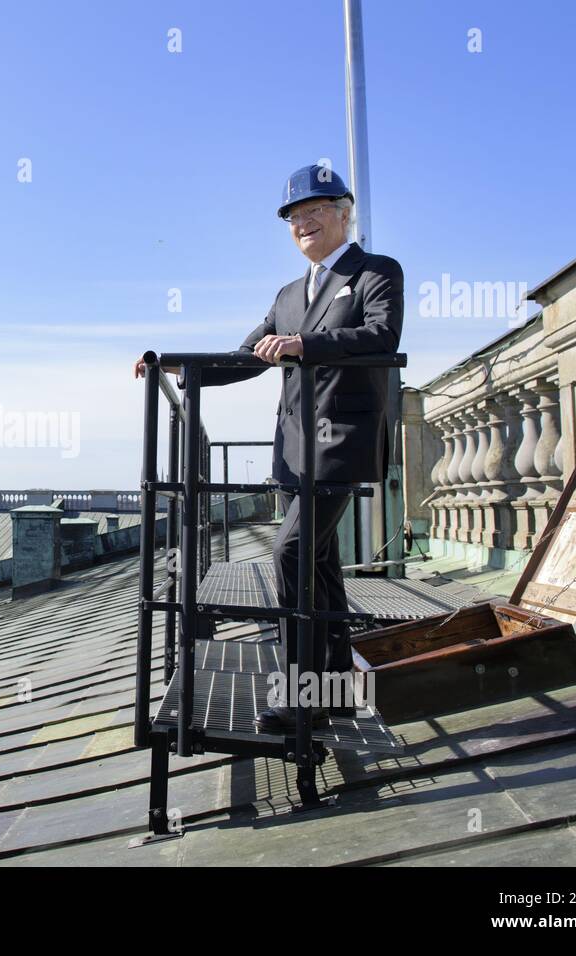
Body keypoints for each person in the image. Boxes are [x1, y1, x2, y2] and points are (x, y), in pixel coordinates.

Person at [134, 164, 404, 732]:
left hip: (342, 442)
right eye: (294, 217)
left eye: (316, 211)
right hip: (297, 449)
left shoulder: (376, 271)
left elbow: (381, 336)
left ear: (345, 213)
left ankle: (301, 699)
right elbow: (248, 356)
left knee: (289, 553)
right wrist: (178, 364)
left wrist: (305, 343)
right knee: (320, 567)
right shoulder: (287, 294)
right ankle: (332, 692)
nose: (304, 223)